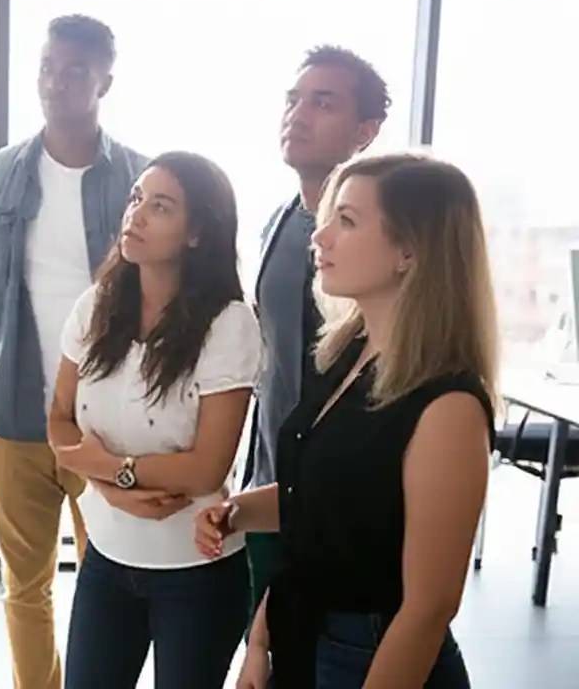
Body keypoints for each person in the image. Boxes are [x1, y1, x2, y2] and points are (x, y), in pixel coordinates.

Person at [197, 153, 498, 687]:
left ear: (410, 250)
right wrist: (239, 513)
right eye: (329, 217)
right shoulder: (344, 355)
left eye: (348, 221)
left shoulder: (448, 407)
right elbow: (320, 512)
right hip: (304, 633)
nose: (321, 236)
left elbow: (429, 608)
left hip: (374, 653)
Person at [0, 14, 148, 689]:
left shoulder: (138, 179)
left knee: (117, 586)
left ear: (104, 82)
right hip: (15, 417)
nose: (55, 82)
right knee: (24, 585)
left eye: (73, 70)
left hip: (108, 422)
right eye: (46, 66)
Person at [49, 152, 259, 688]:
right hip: (106, 557)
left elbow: (206, 470)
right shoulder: (96, 306)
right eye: (136, 198)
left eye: (160, 206)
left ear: (196, 234)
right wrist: (112, 485)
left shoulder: (229, 325)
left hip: (196, 573)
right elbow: (59, 424)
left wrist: (111, 467)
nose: (136, 215)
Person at [241, 46, 390, 620]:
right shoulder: (278, 221)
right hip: (270, 481)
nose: (297, 115)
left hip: (339, 499)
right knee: (266, 653)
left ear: (365, 130)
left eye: (322, 103)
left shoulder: (379, 241)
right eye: (293, 100)